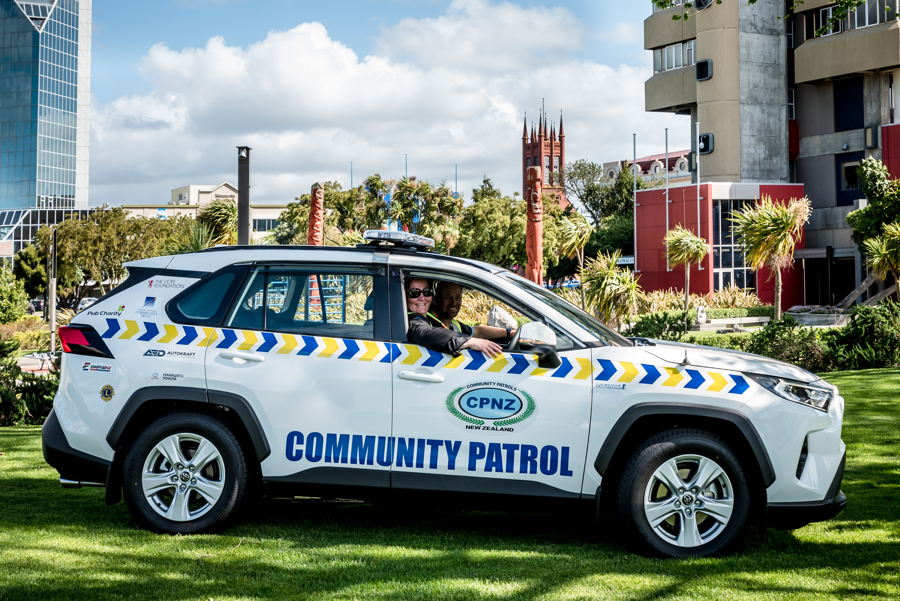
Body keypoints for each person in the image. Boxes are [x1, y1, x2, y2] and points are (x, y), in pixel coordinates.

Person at [405, 277, 503, 358]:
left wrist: (508, 333)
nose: (422, 298)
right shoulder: (411, 320)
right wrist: (470, 341)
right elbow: (425, 332)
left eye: (427, 291)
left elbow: (477, 331)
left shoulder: (446, 322)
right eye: (415, 293)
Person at [431, 281, 516, 342]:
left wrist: (509, 333)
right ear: (437, 300)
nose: (454, 303)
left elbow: (478, 332)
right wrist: (475, 343)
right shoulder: (430, 324)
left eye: (458, 298)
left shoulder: (454, 325)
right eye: (448, 298)